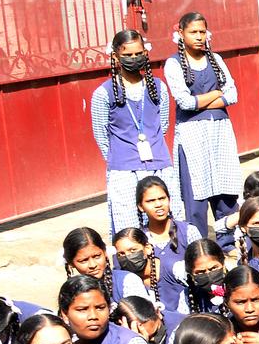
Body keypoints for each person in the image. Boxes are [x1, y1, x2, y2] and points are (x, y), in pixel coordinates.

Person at [90, 29, 174, 234]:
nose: (133, 59)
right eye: (127, 55)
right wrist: (120, 156)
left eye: (138, 54)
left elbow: (162, 124)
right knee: (128, 227)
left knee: (164, 221)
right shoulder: (103, 93)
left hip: (159, 164)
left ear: (145, 54)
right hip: (124, 170)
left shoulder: (158, 87)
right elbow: (101, 135)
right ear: (115, 57)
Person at [163, 12, 241, 229]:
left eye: (202, 32)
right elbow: (185, 102)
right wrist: (217, 94)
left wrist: (202, 100)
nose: (198, 37)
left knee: (225, 189)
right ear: (181, 33)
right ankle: (199, 245)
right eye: (193, 32)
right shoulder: (173, 64)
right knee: (195, 191)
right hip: (192, 134)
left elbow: (233, 95)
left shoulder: (216, 60)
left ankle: (228, 241)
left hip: (220, 131)